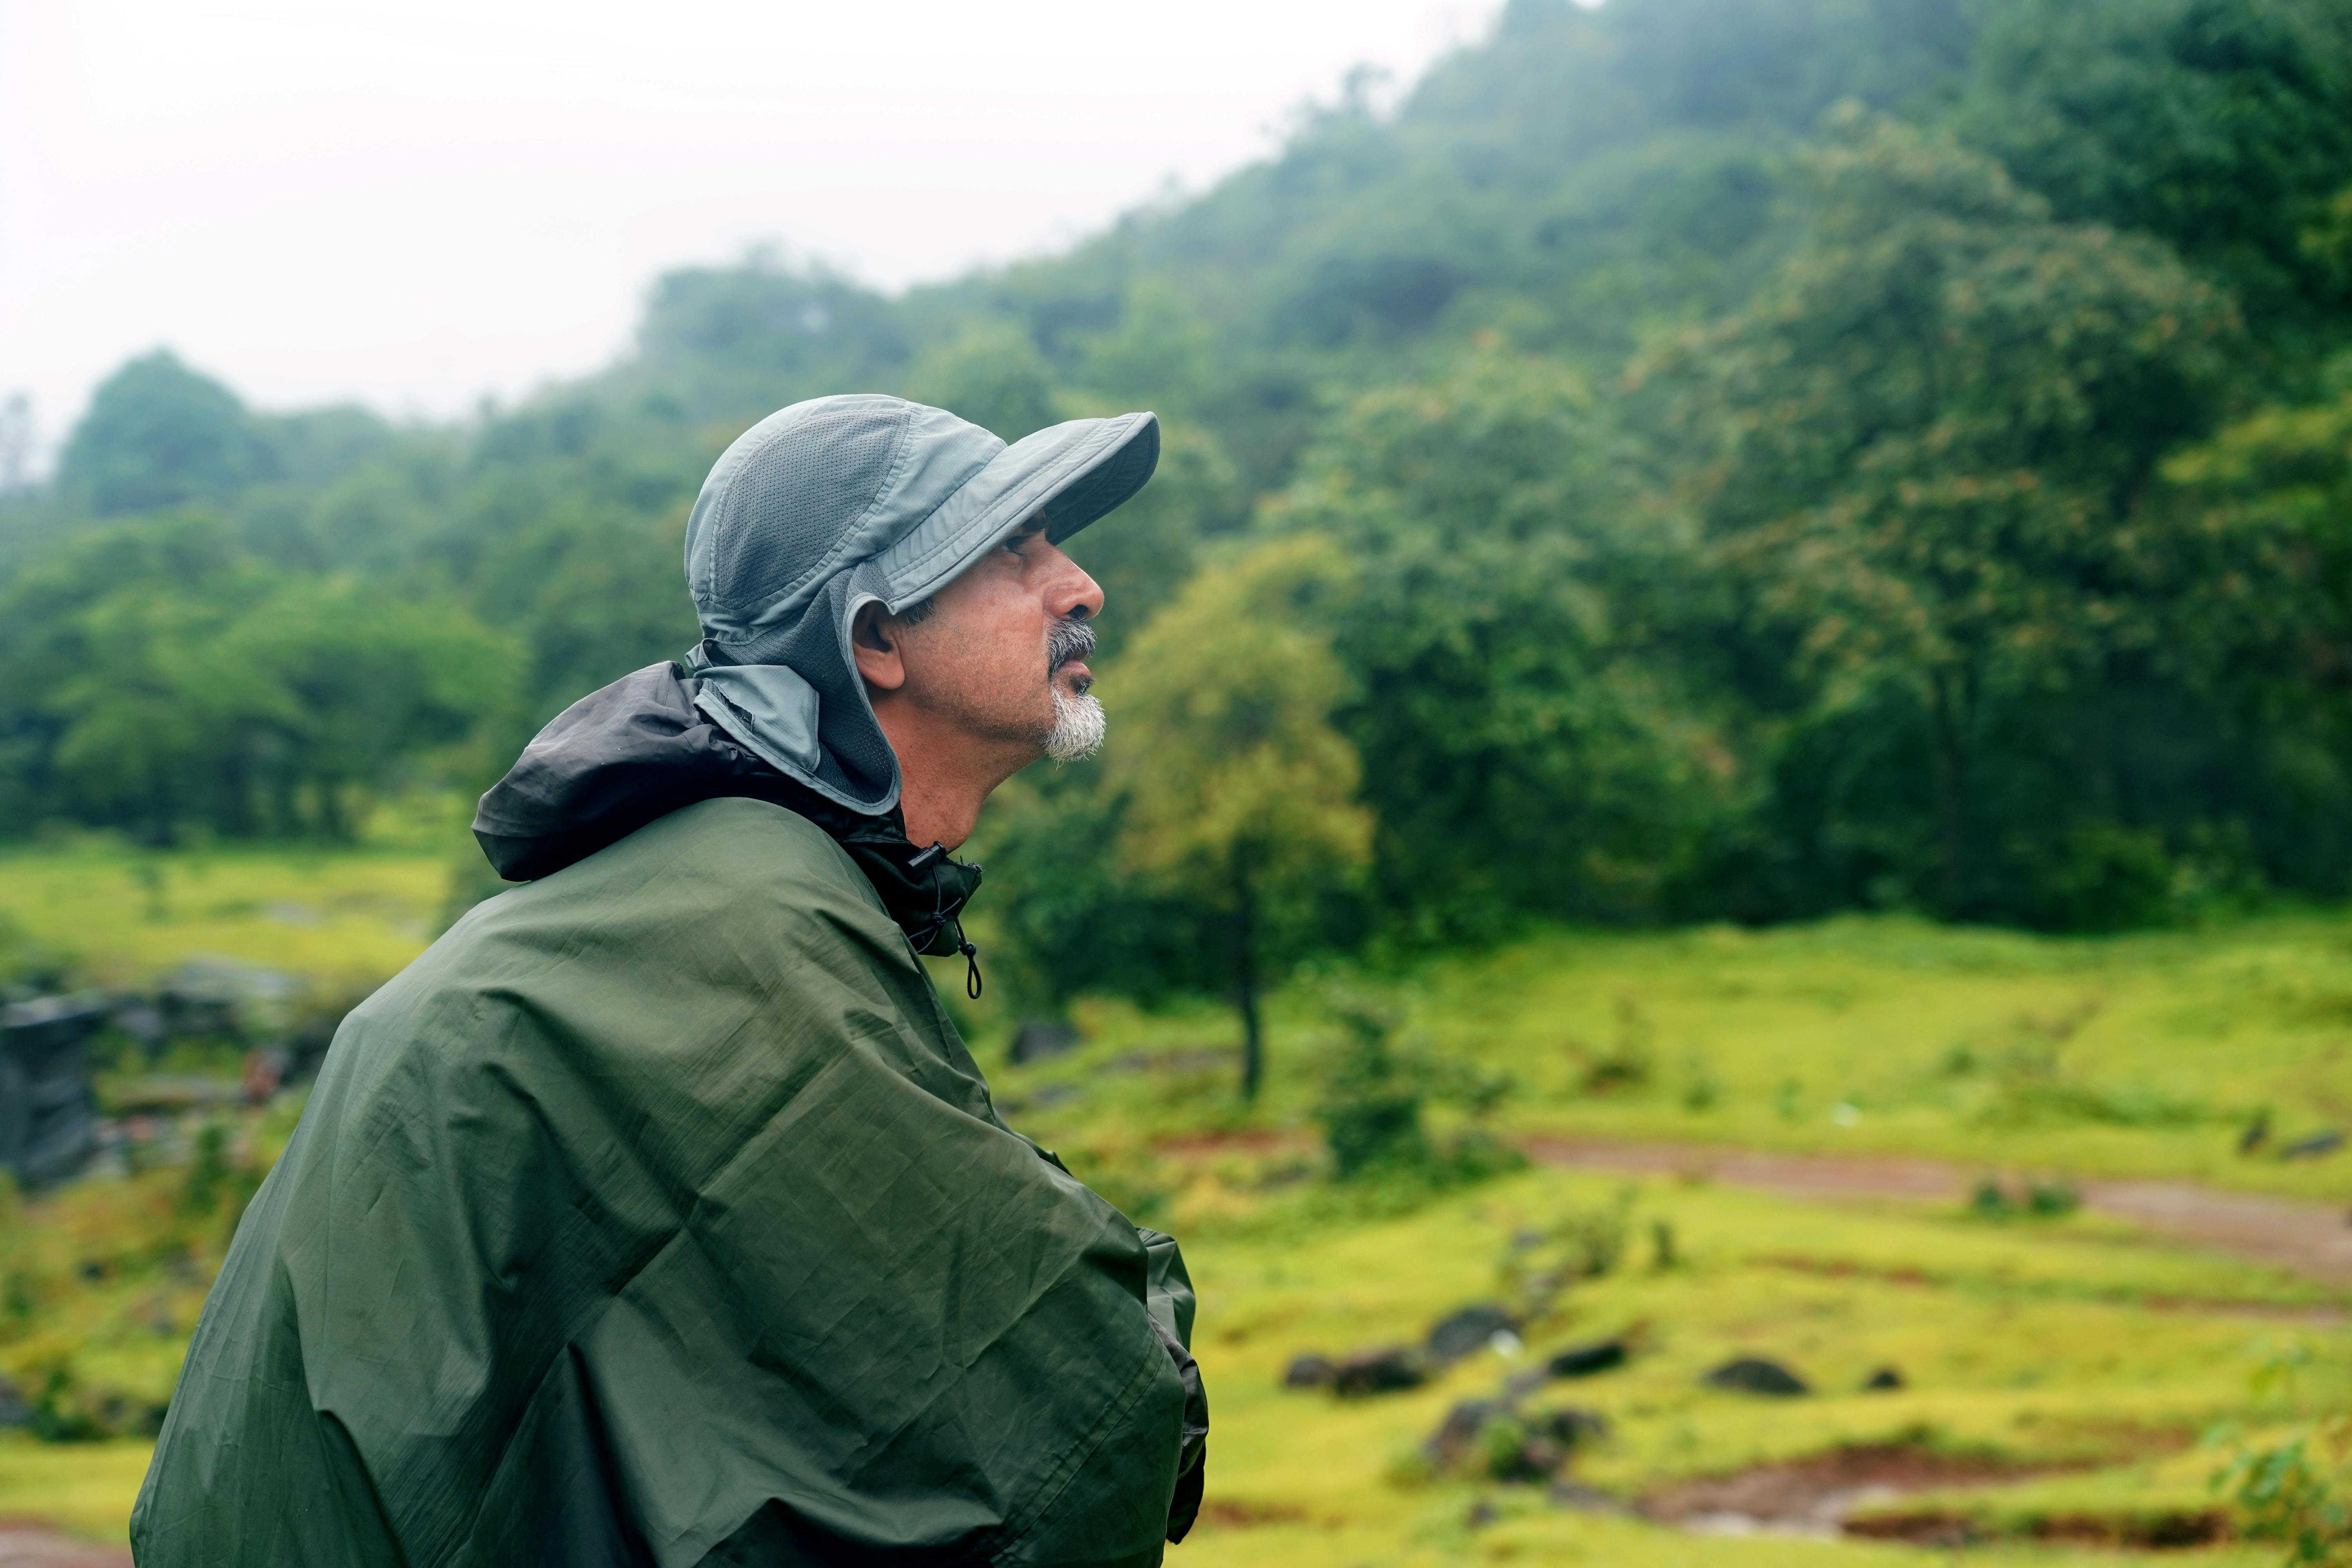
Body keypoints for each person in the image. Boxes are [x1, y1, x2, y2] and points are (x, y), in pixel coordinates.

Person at [132, 396, 1208, 1568]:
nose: (1081, 585)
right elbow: (1061, 1389)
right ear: (876, 641)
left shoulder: (715, 881)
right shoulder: (744, 920)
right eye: (1019, 550)